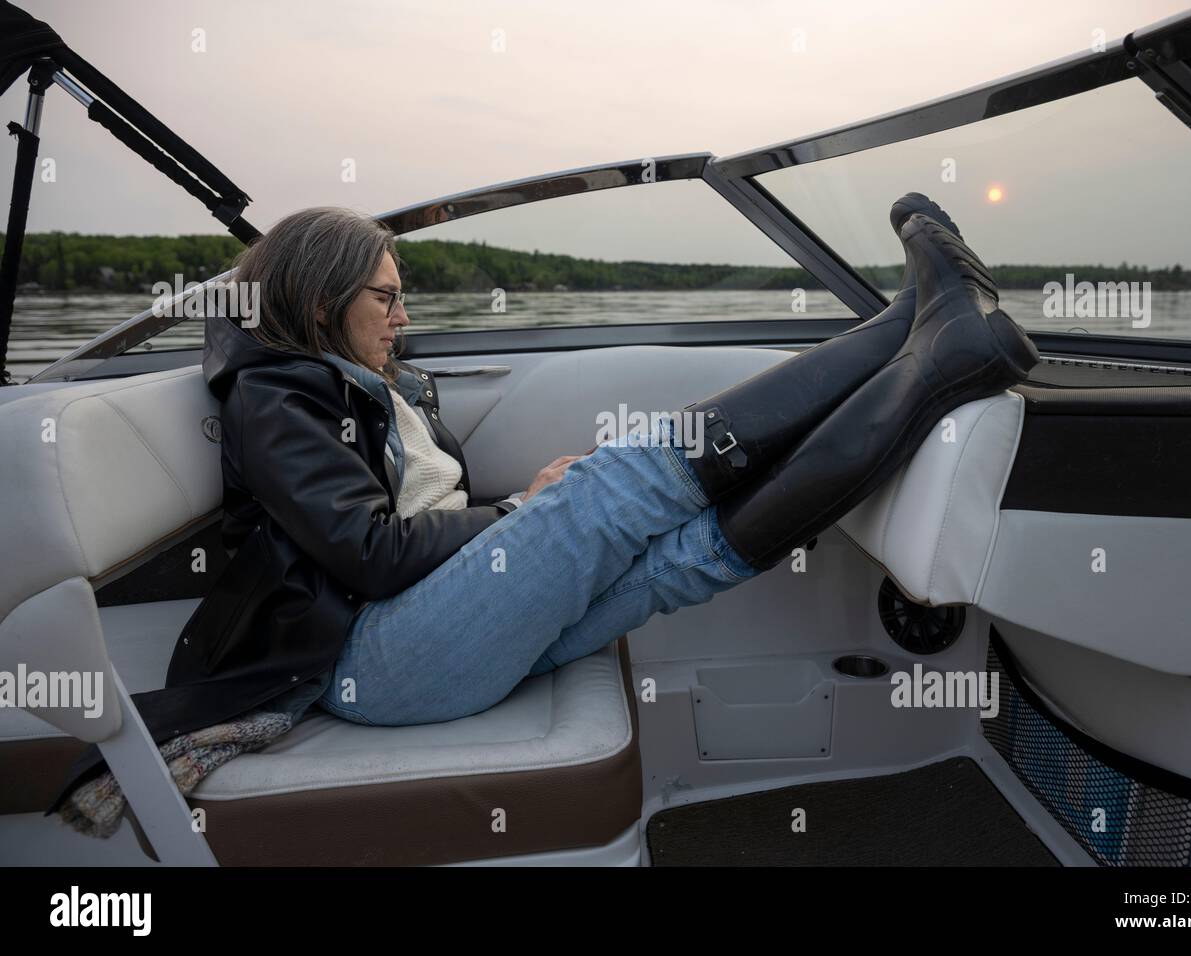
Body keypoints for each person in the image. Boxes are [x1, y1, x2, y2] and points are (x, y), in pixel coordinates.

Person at [48, 193, 1038, 814]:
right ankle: (918, 328)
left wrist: (518, 504)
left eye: (403, 296)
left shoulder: (368, 382)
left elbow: (407, 525)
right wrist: (525, 510)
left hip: (421, 634)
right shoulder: (277, 395)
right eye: (384, 299)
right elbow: (372, 555)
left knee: (676, 561)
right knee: (619, 484)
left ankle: (935, 347)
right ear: (317, 305)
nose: (403, 317)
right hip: (370, 661)